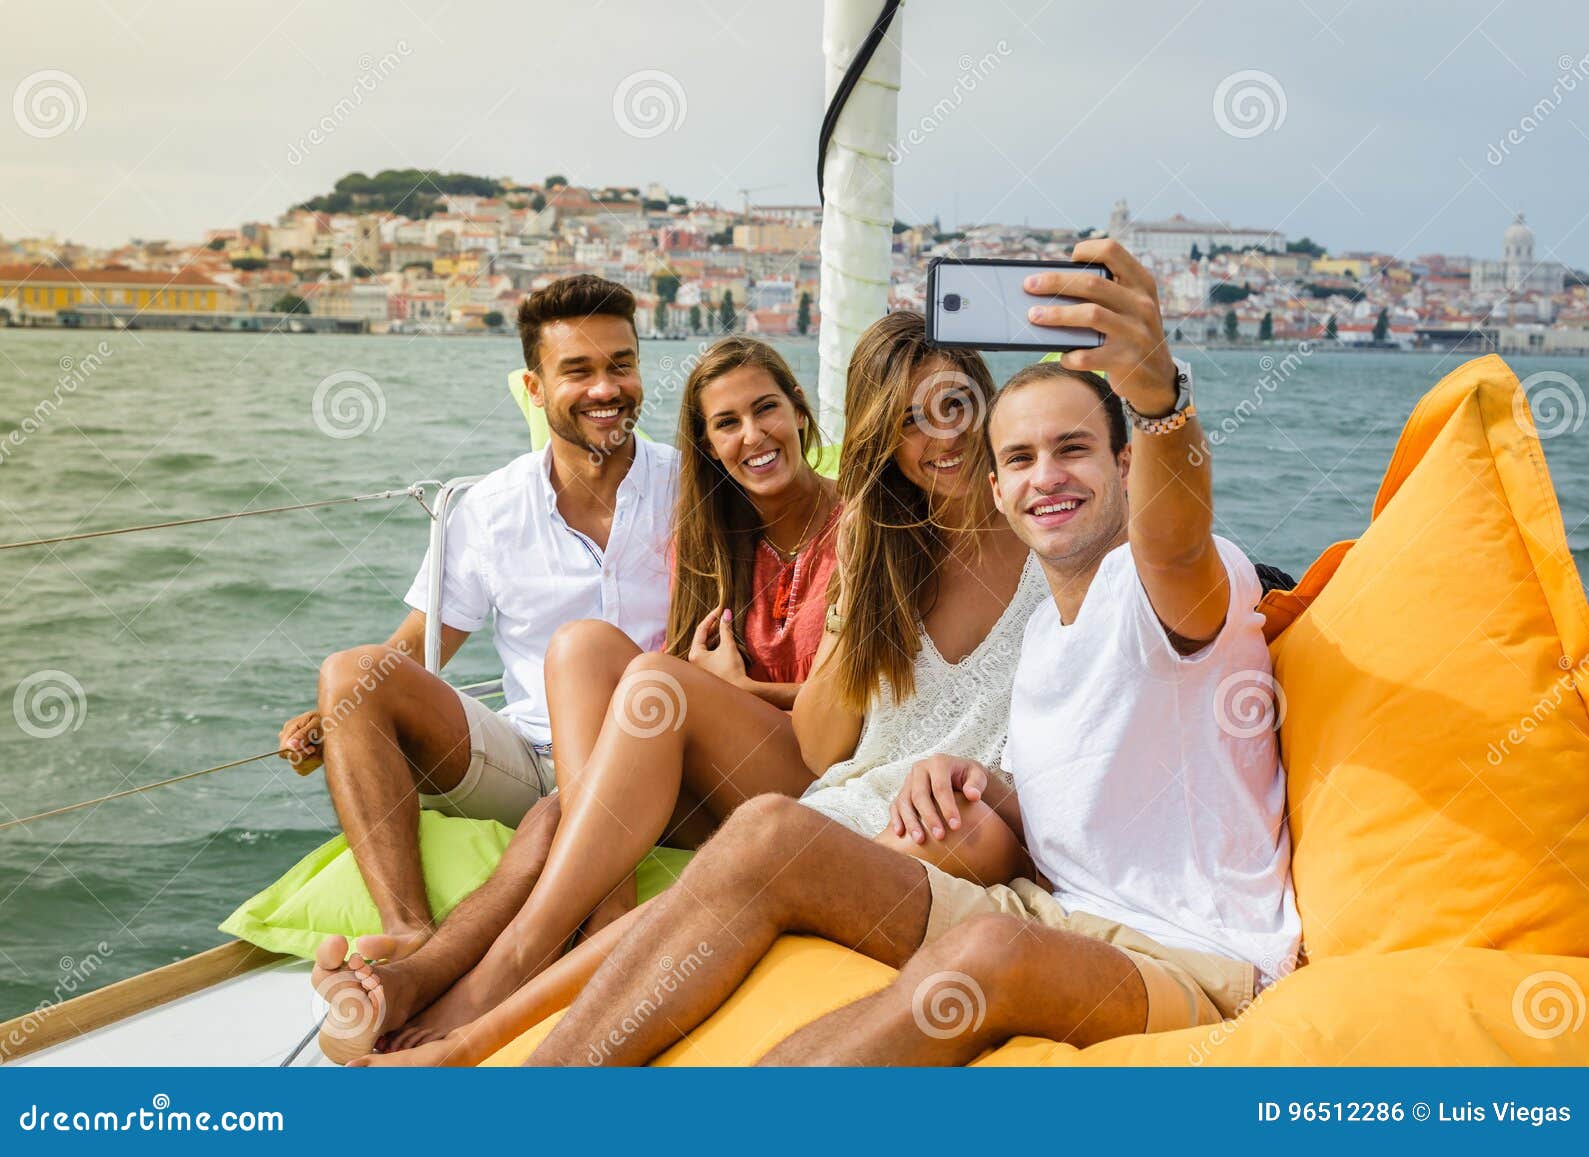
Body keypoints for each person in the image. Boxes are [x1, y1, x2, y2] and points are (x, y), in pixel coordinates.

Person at [516, 239, 1301, 1068]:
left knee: (985, 955)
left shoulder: (1162, 588)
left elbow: (1177, 544)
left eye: (1072, 450)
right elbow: (1066, 801)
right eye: (1021, 460)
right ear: (996, 488)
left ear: (1127, 462)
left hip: (1195, 957)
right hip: (1054, 905)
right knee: (765, 832)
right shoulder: (1041, 641)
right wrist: (975, 782)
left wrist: (1155, 393)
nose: (1045, 479)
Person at [340, 310, 1051, 1066]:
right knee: (575, 795)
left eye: (953, 406)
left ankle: (487, 1007)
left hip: (953, 811)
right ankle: (479, 985)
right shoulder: (872, 543)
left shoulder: (1052, 527)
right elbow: (826, 739)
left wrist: (745, 683)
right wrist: (862, 585)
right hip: (850, 784)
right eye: (907, 421)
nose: (939, 435)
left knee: (733, 846)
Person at [310, 336, 841, 1061]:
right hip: (705, 778)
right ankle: (515, 933)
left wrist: (740, 687)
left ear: (801, 412)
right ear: (708, 448)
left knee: (607, 741)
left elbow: (861, 707)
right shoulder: (717, 532)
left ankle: (505, 968)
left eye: (766, 410)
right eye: (726, 424)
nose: (752, 436)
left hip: (818, 770)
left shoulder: (862, 526)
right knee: (581, 648)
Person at [275, 274, 676, 963]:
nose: (607, 389)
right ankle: (407, 930)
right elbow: (411, 652)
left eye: (622, 364)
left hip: (663, 764)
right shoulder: (489, 509)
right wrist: (332, 714)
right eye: (577, 371)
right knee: (350, 672)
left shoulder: (693, 485)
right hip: (532, 761)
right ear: (534, 389)